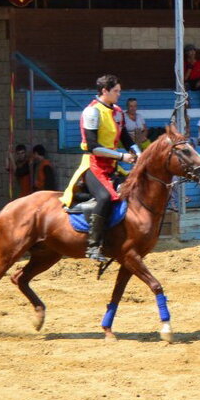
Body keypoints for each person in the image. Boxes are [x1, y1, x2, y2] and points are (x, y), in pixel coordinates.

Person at [60, 74, 137, 263]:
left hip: (112, 165)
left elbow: (125, 138)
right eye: (116, 91)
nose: (119, 94)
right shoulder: (92, 112)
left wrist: (140, 155)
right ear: (105, 91)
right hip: (93, 165)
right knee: (104, 197)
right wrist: (121, 156)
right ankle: (93, 246)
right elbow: (93, 146)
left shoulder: (118, 111)